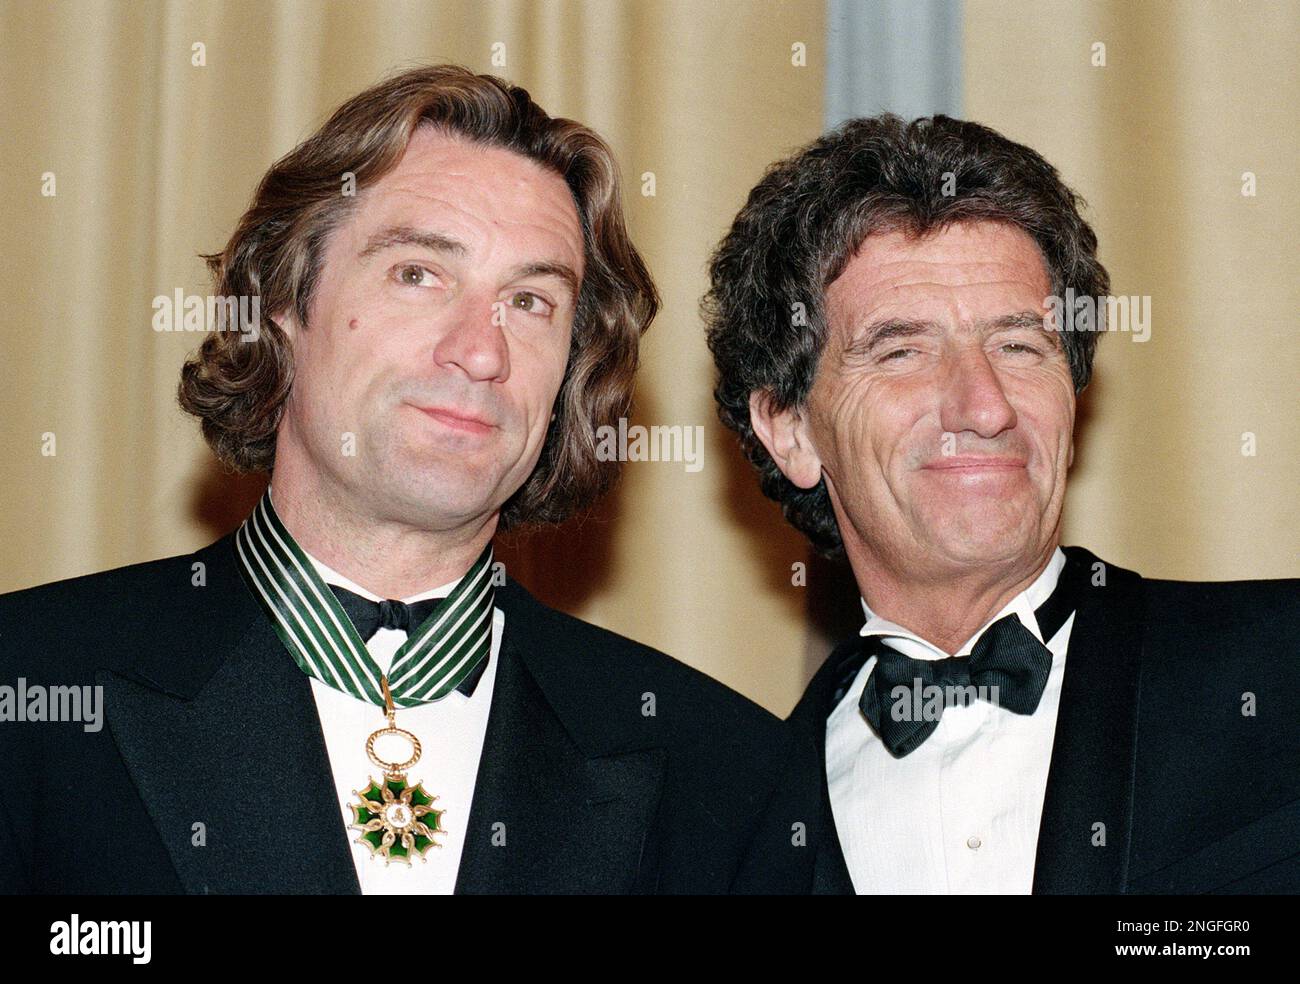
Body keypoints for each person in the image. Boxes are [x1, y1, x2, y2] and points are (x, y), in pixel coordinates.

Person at [0, 65, 813, 895]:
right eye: (419, 274)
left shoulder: (726, 774)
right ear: (283, 298)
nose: (482, 349)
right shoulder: (29, 694)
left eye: (531, 301)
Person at [704, 113, 1299, 894]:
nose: (984, 408)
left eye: (1019, 345)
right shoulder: (731, 833)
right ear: (790, 430)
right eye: (902, 351)